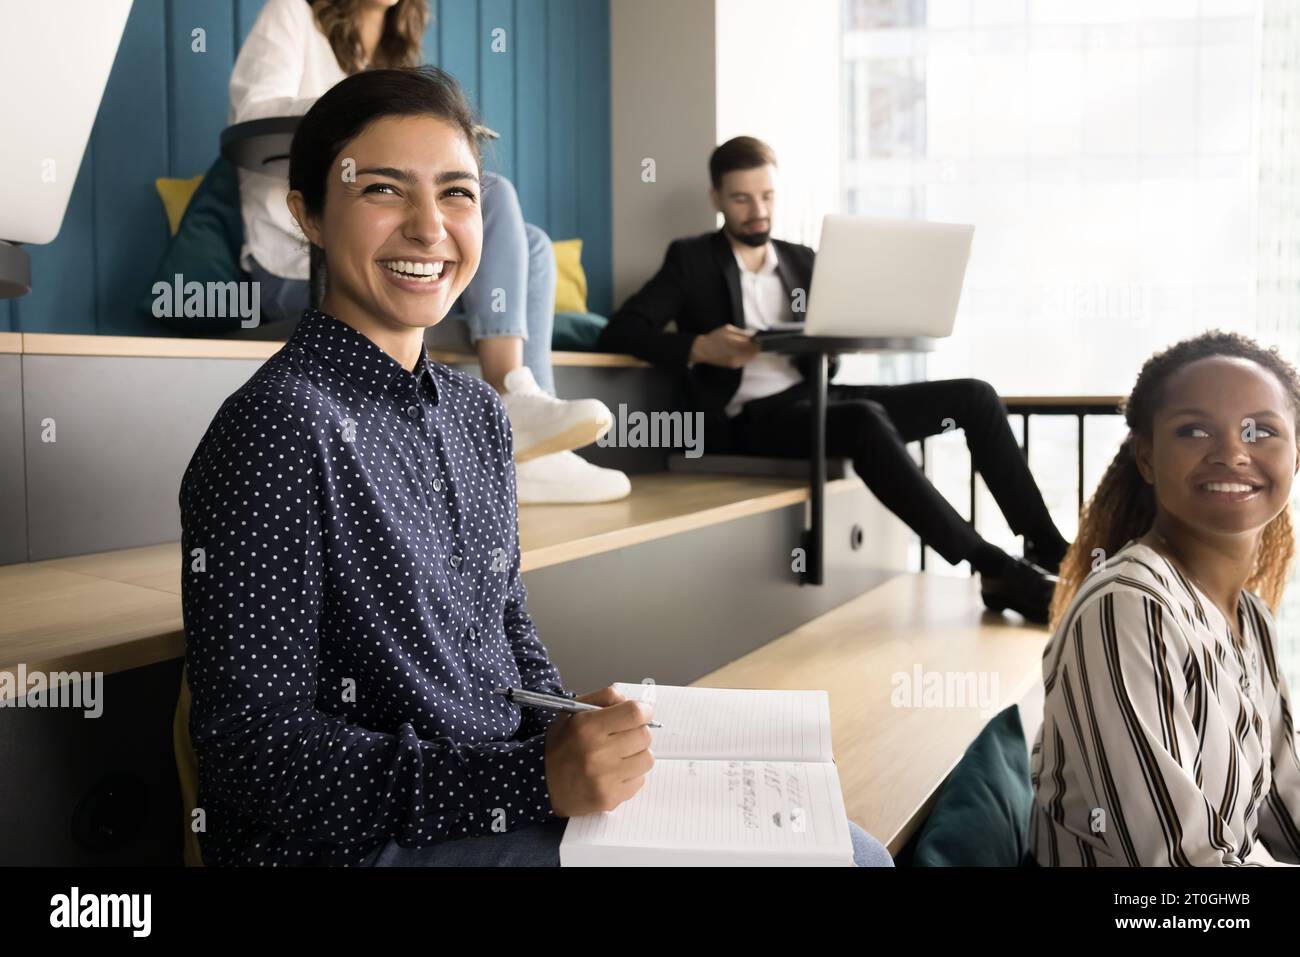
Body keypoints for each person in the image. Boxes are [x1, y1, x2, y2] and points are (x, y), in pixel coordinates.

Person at [180, 65, 892, 867]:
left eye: (456, 193)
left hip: (496, 796)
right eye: (383, 190)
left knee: (840, 847)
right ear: (306, 212)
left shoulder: (480, 412)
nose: (428, 227)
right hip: (361, 847)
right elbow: (252, 754)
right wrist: (530, 778)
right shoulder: (275, 427)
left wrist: (566, 721)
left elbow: (507, 630)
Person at [598, 135, 1071, 624]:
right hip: (745, 418)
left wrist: (842, 341)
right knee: (862, 420)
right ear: (716, 198)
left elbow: (826, 354)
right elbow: (621, 330)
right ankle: (990, 566)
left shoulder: (803, 260)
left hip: (816, 398)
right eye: (741, 198)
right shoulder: (691, 259)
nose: (757, 210)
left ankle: (1051, 548)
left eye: (767, 196)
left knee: (975, 396)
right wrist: (699, 346)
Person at [229, 0, 627, 503]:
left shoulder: (397, 45)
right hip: (293, 264)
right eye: (383, 187)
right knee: (496, 192)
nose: (432, 222)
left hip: (385, 266)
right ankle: (514, 398)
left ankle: (529, 418)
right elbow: (252, 110)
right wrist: (365, 119)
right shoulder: (292, 13)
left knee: (534, 247)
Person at [1032, 330, 1300, 866]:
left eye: (1261, 430)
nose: (1232, 452)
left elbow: (1284, 814)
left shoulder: (1251, 619)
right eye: (1195, 431)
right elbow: (1180, 871)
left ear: (1296, 457)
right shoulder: (1129, 606)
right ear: (1148, 457)